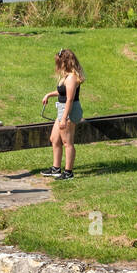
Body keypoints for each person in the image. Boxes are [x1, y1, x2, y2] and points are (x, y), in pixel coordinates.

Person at [41, 48, 85, 180]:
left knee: (67, 142)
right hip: (62, 110)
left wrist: (64, 118)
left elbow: (70, 98)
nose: (57, 65)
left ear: (65, 62)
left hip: (69, 111)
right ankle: (56, 169)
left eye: (58, 62)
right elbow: (62, 92)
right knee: (54, 139)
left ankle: (68, 172)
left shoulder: (71, 78)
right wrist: (49, 94)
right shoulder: (66, 76)